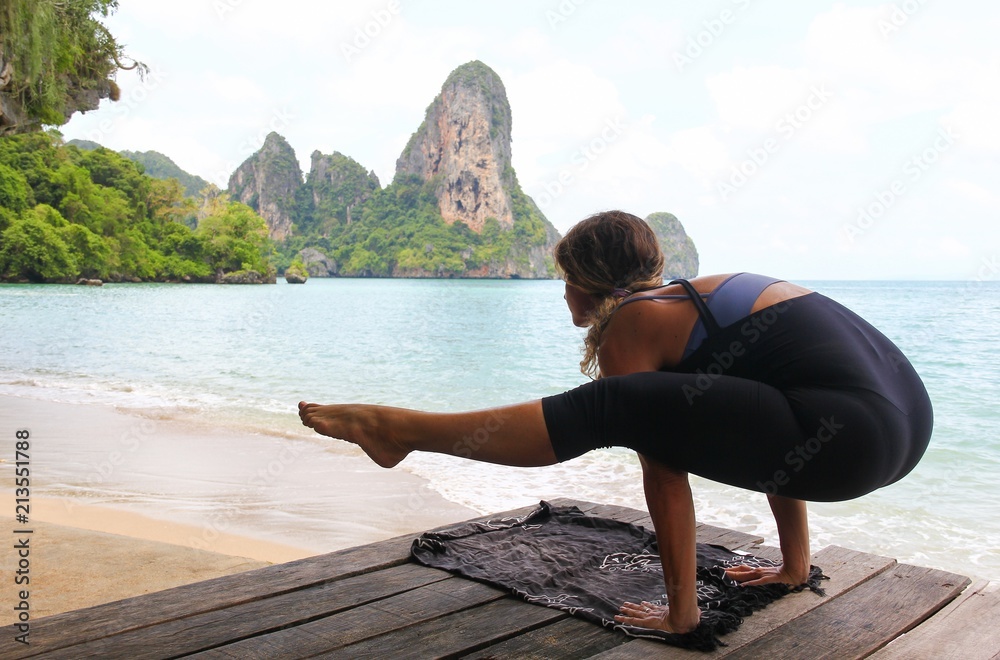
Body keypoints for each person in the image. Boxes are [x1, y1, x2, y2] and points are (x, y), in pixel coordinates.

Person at [299, 209, 932, 635]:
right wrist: (793, 567)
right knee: (694, 404)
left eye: (565, 279)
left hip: (848, 438)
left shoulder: (633, 321)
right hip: (900, 430)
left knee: (609, 406)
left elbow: (665, 476)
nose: (563, 294)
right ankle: (794, 564)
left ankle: (400, 430)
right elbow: (779, 425)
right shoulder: (695, 302)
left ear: (586, 281)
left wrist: (682, 613)